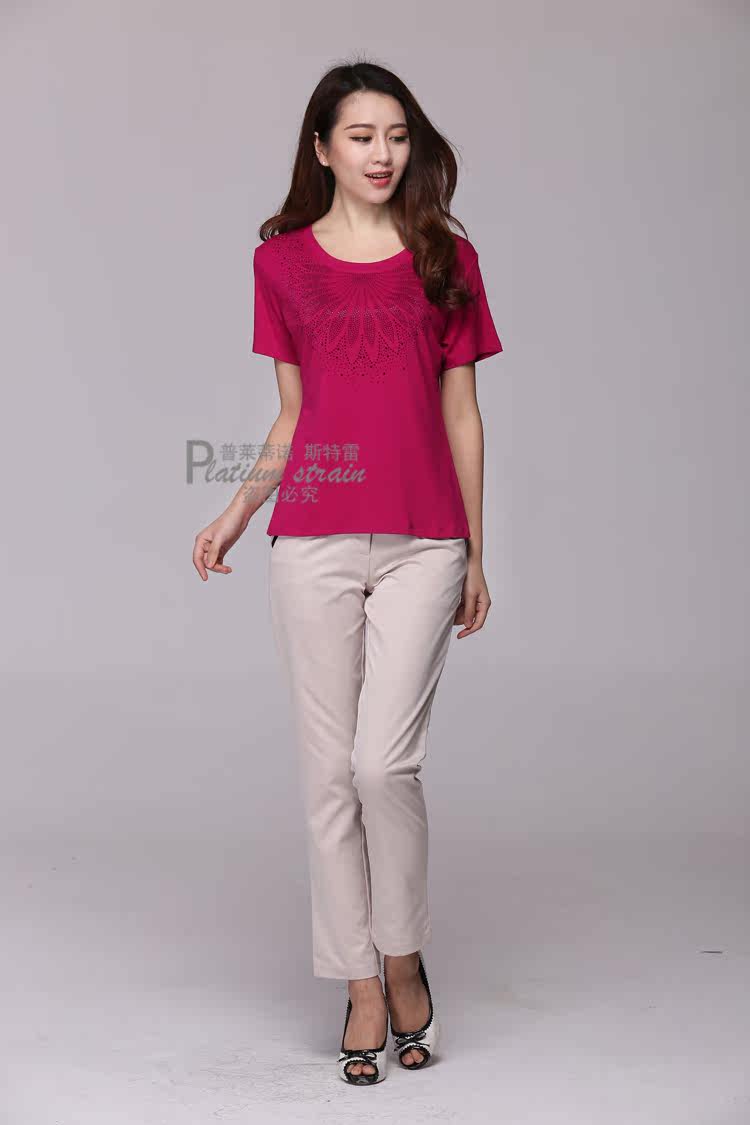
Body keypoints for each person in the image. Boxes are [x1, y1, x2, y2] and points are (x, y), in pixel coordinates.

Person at [192, 58, 503, 1086]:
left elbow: (463, 412)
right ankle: (362, 981)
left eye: (398, 136)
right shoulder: (280, 264)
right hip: (315, 539)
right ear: (322, 148)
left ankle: (404, 952)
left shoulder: (445, 256)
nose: (383, 154)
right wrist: (237, 510)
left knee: (383, 766)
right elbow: (294, 416)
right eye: (362, 135)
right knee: (328, 775)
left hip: (424, 538)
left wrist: (477, 551)